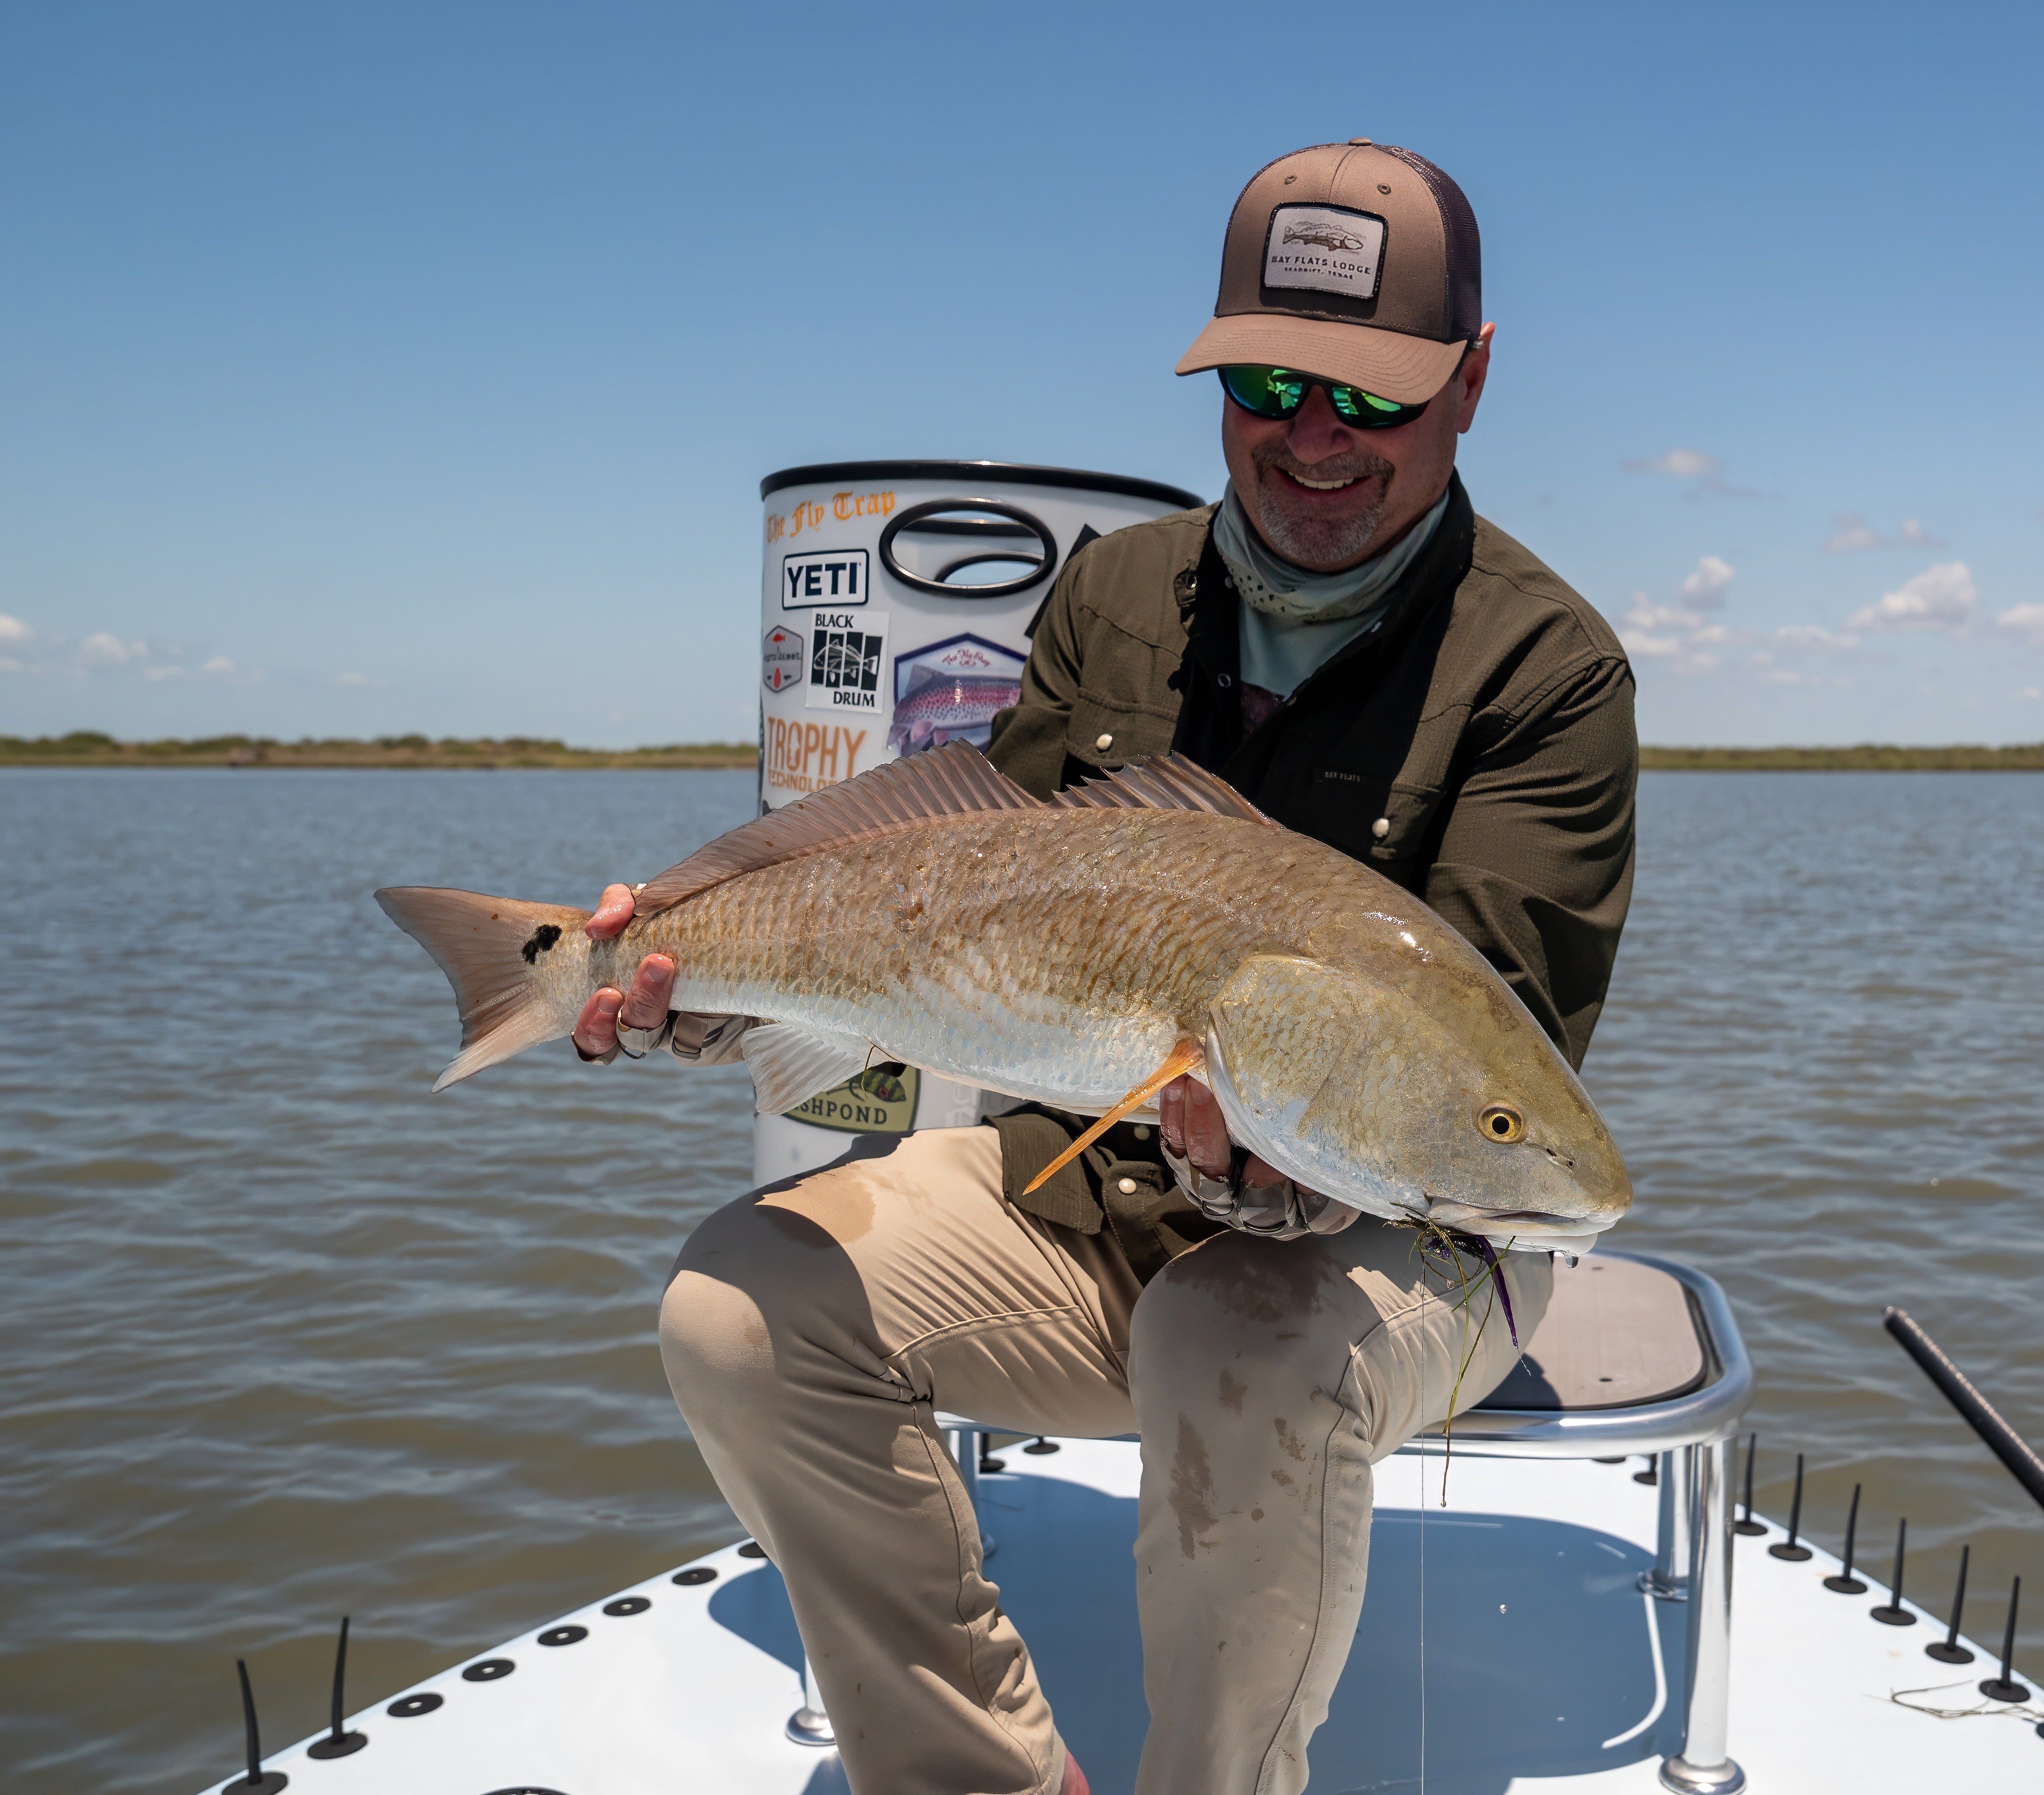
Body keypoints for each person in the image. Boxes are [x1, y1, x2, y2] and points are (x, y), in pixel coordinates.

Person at [577, 141, 1638, 1795]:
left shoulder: (1547, 669)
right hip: (1098, 1175)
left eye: (1372, 399)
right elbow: (959, 909)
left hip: (1422, 1237)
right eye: (1271, 383)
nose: (1313, 439)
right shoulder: (1115, 593)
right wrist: (707, 976)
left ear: (1474, 382)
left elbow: (1468, 1072)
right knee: (739, 1306)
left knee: (1240, 1337)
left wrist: (1271, 1172)